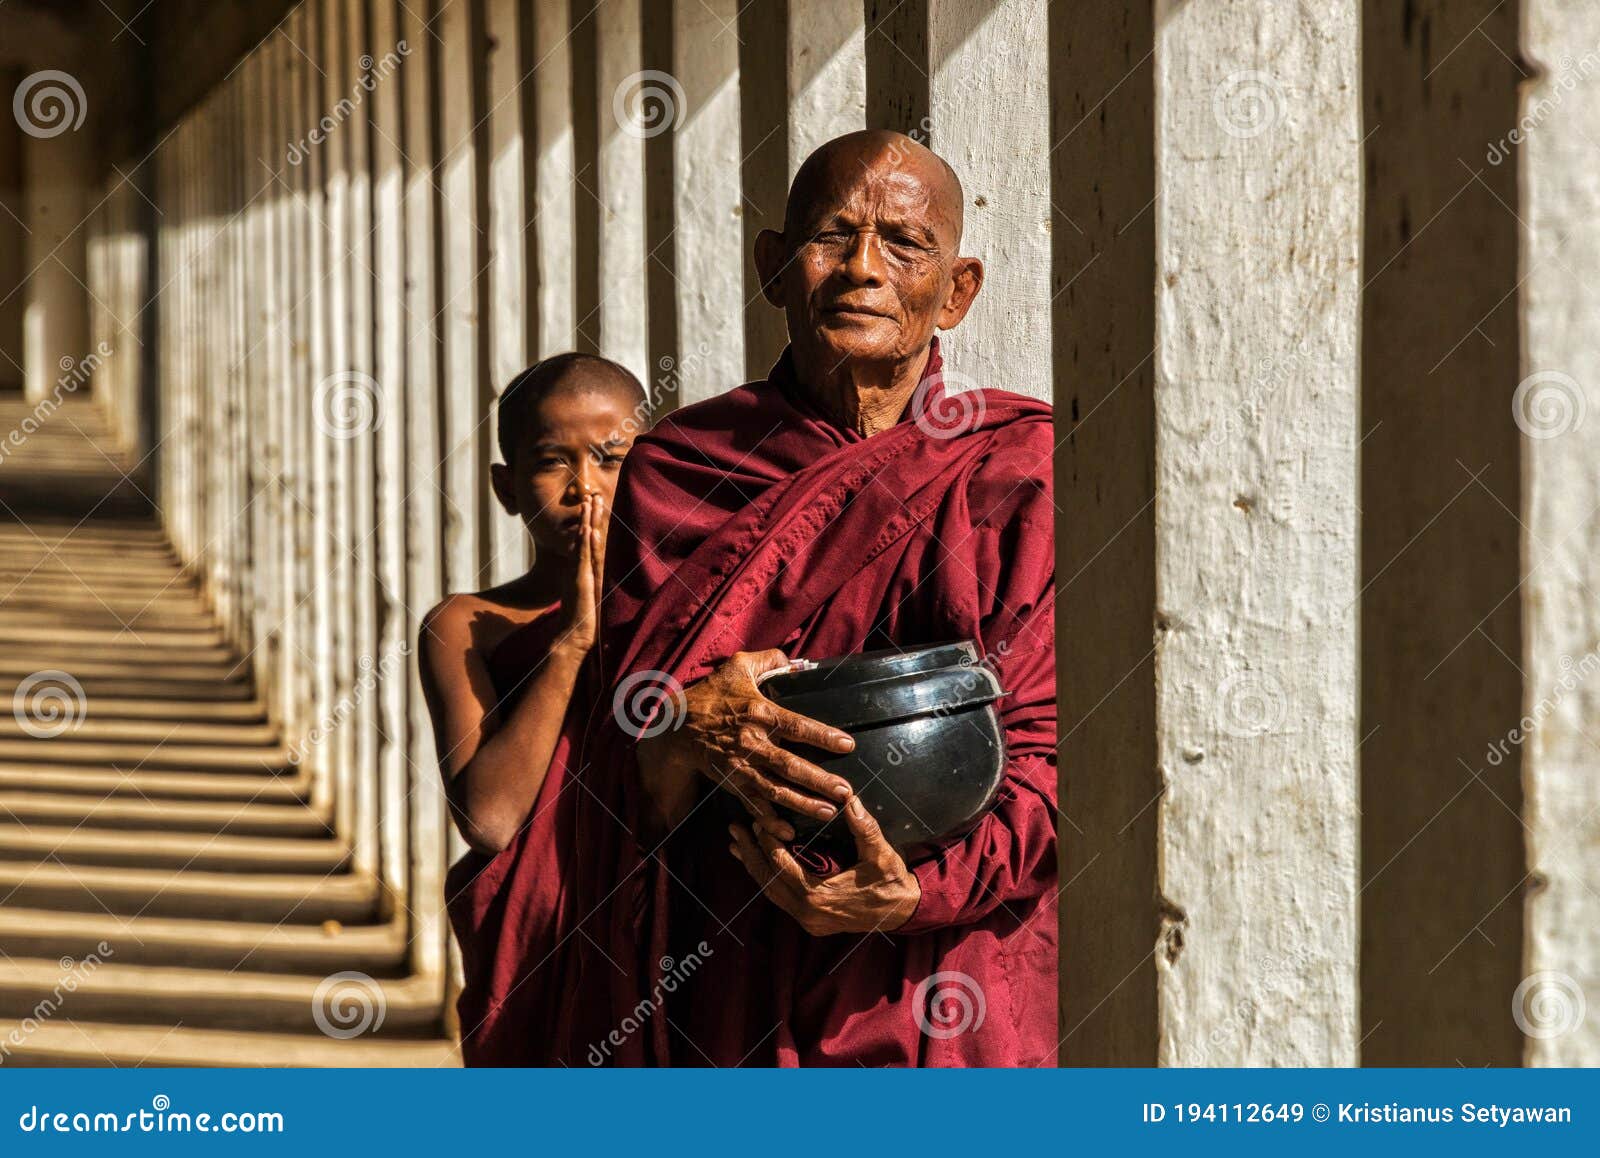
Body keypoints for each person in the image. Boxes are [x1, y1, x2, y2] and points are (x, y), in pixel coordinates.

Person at [565, 129, 1058, 1066]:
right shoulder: (687, 469)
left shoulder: (1016, 471)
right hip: (731, 955)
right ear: (773, 265)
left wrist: (915, 894)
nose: (862, 270)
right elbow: (615, 760)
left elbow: (1056, 753)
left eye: (904, 245)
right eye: (832, 237)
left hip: (947, 970)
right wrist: (681, 723)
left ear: (957, 292)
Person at [417, 352, 646, 1064]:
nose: (587, 488)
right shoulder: (468, 625)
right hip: (538, 950)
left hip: (661, 935)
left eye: (612, 458)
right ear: (507, 487)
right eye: (554, 463)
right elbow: (489, 818)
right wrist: (574, 642)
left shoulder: (685, 608)